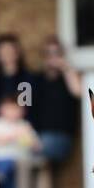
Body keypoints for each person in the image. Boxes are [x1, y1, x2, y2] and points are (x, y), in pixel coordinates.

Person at [32, 36, 81, 166]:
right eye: (48, 53)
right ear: (43, 57)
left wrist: (65, 67)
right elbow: (22, 105)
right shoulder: (34, 79)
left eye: (56, 53)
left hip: (60, 137)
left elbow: (78, 92)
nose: (52, 57)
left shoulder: (68, 78)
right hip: (36, 136)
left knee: (34, 151)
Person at [0, 96, 40, 188]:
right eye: (9, 109)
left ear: (22, 111)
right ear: (1, 110)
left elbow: (37, 146)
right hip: (0, 160)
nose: (12, 112)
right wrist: (15, 135)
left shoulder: (25, 125)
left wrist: (29, 137)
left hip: (21, 163)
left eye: (16, 109)